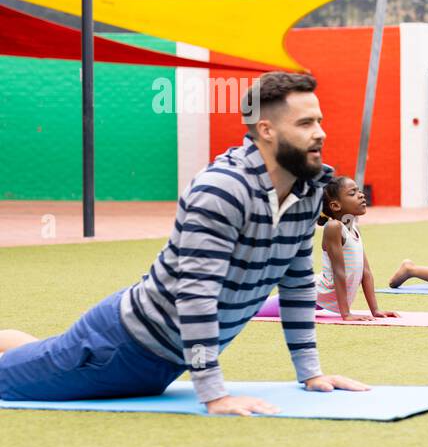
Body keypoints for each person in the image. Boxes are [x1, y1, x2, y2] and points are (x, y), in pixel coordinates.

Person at [0, 72, 369, 415]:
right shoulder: (223, 189)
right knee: (14, 379)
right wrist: (213, 394)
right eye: (305, 123)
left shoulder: (307, 192)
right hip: (119, 348)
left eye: (319, 121)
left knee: (45, 355)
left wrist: (311, 374)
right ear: (266, 130)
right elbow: (196, 294)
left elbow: (297, 284)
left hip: (169, 358)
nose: (320, 133)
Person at [257, 175, 397, 321]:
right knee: (252, 310)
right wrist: (346, 314)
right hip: (306, 293)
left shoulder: (354, 228)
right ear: (335, 206)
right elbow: (338, 272)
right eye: (352, 193)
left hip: (319, 299)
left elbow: (365, 272)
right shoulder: (334, 227)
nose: (361, 195)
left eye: (359, 191)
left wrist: (375, 311)